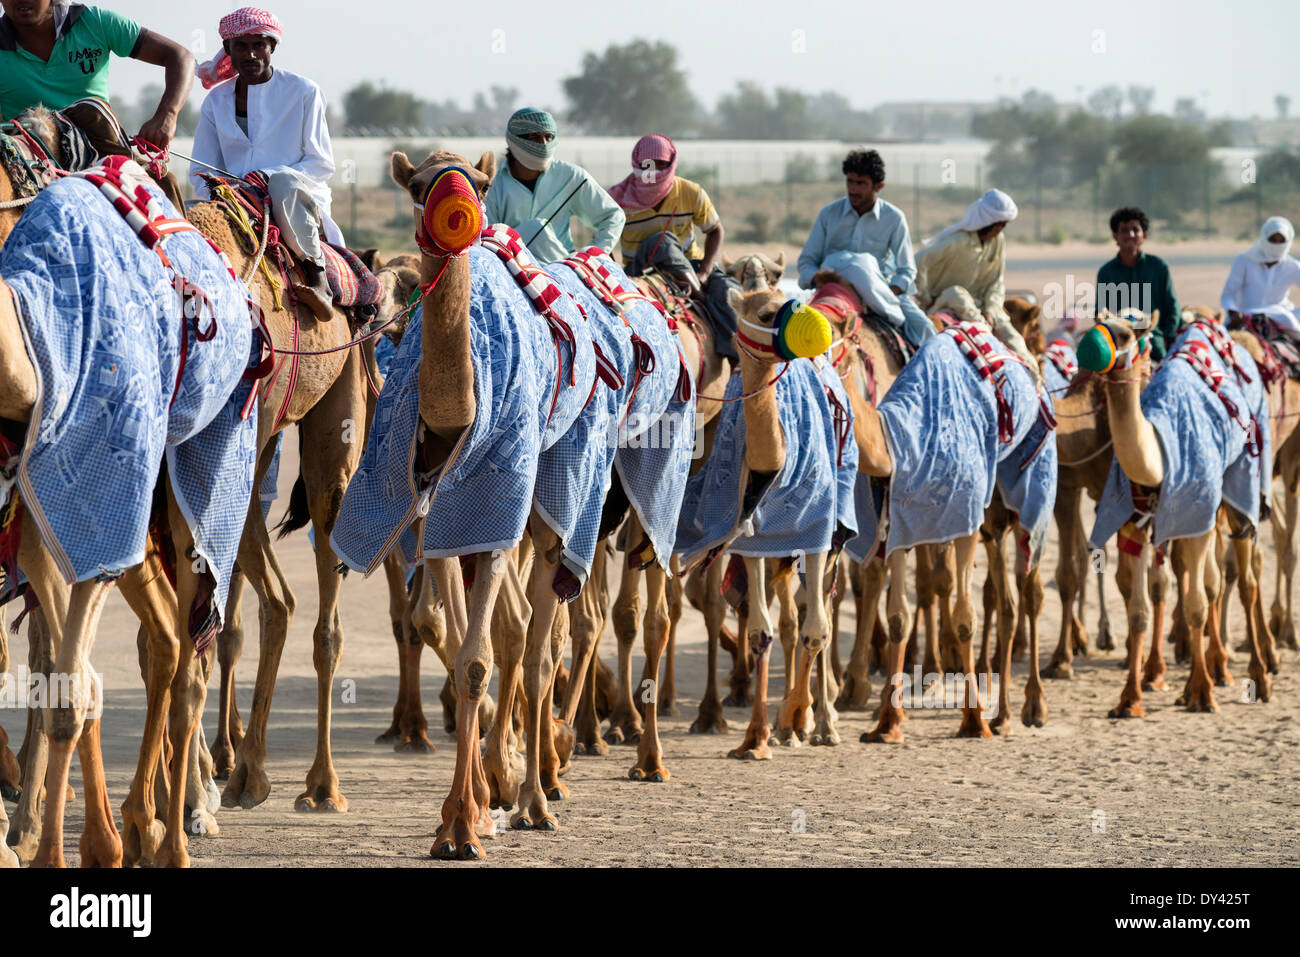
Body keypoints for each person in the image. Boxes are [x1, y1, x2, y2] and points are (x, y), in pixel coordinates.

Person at [189, 7, 340, 319]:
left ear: (272, 47)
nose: (251, 54)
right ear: (228, 50)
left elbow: (321, 163)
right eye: (242, 46)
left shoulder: (304, 92)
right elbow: (201, 171)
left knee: (283, 184)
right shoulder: (215, 103)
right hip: (237, 201)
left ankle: (318, 279)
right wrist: (218, 193)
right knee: (189, 216)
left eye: (259, 45)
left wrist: (266, 177)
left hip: (296, 198)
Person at [0, 0, 193, 202]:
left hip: (100, 150)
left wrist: (167, 116)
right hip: (27, 166)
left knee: (165, 186)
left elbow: (180, 56)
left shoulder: (96, 22)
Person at [610, 133, 738, 358]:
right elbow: (605, 239)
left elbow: (715, 230)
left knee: (730, 292)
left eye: (662, 164)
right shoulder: (616, 199)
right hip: (639, 269)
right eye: (648, 165)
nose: (655, 170)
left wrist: (706, 272)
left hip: (691, 264)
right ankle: (700, 297)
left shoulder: (691, 192)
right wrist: (615, 274)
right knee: (662, 240)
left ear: (672, 164)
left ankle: (734, 355)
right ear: (637, 164)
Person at [798, 148, 933, 347]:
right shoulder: (829, 214)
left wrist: (885, 292)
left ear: (878, 186)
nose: (853, 189)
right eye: (850, 181)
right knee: (791, 325)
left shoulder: (894, 218)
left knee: (925, 331)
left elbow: (907, 270)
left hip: (883, 289)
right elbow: (807, 262)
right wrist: (819, 278)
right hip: (835, 288)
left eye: (861, 183)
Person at [483, 107, 624, 265]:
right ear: (514, 139)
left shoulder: (571, 177)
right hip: (511, 272)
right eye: (534, 137)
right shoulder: (491, 187)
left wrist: (591, 257)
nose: (543, 144)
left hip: (563, 274)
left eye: (549, 137)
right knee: (533, 229)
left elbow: (613, 216)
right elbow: (488, 239)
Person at [915, 187, 1035, 365]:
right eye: (1001, 224)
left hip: (983, 306)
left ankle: (1035, 383)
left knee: (1014, 339)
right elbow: (918, 261)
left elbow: (996, 282)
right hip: (948, 301)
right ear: (990, 222)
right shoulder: (957, 241)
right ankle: (986, 335)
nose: (1002, 229)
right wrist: (925, 298)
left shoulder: (998, 241)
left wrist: (990, 310)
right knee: (958, 294)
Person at [1095, 206, 1181, 359]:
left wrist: (1168, 337)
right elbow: (1100, 312)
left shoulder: (1158, 267)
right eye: (1124, 230)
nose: (1130, 235)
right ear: (1115, 236)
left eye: (1135, 230)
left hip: (1154, 339)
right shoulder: (1106, 273)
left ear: (1145, 235)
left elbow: (1172, 306)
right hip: (1119, 342)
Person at [1221, 216, 1300, 340]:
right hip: (1245, 316)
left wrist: (1294, 314)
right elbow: (1229, 293)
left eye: (1281, 241)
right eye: (1273, 240)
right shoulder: (1244, 260)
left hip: (1279, 316)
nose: (1277, 244)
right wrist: (1233, 313)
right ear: (1264, 238)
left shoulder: (1293, 266)